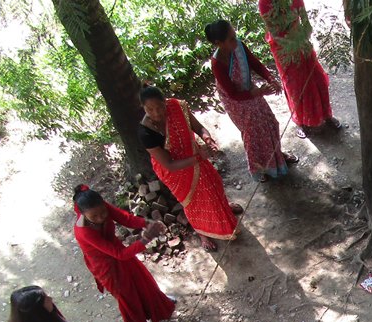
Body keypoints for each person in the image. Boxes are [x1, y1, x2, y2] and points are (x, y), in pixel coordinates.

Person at [138, 85, 241, 252]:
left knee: (213, 185)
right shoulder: (145, 134)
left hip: (194, 156)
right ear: (143, 108)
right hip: (174, 170)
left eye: (159, 107)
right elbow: (169, 165)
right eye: (150, 109)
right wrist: (199, 157)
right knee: (193, 201)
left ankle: (225, 208)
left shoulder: (176, 107)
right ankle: (202, 233)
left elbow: (198, 128)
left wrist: (207, 139)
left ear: (166, 103)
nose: (156, 113)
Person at [72, 186, 176, 322]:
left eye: (103, 213)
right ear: (83, 214)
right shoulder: (84, 232)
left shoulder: (101, 208)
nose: (101, 218)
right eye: (95, 216)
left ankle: (158, 308)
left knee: (142, 282)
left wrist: (146, 223)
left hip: (119, 253)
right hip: (106, 267)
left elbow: (125, 219)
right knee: (127, 297)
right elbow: (119, 254)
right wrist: (146, 239)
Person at [206, 20, 292, 182]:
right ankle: (259, 167)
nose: (235, 40)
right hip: (236, 101)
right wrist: (258, 92)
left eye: (234, 36)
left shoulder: (239, 46)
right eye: (231, 38)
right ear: (219, 43)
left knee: (270, 122)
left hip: (249, 90)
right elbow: (232, 93)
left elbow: (255, 64)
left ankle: (276, 156)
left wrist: (270, 78)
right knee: (253, 134)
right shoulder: (217, 64)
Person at [258, 0, 342, 137]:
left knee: (318, 79)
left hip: (301, 41)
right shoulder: (264, 3)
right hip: (283, 49)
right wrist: (294, 45)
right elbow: (274, 34)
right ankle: (300, 122)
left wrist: (304, 37)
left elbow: (306, 23)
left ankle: (327, 115)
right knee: (295, 87)